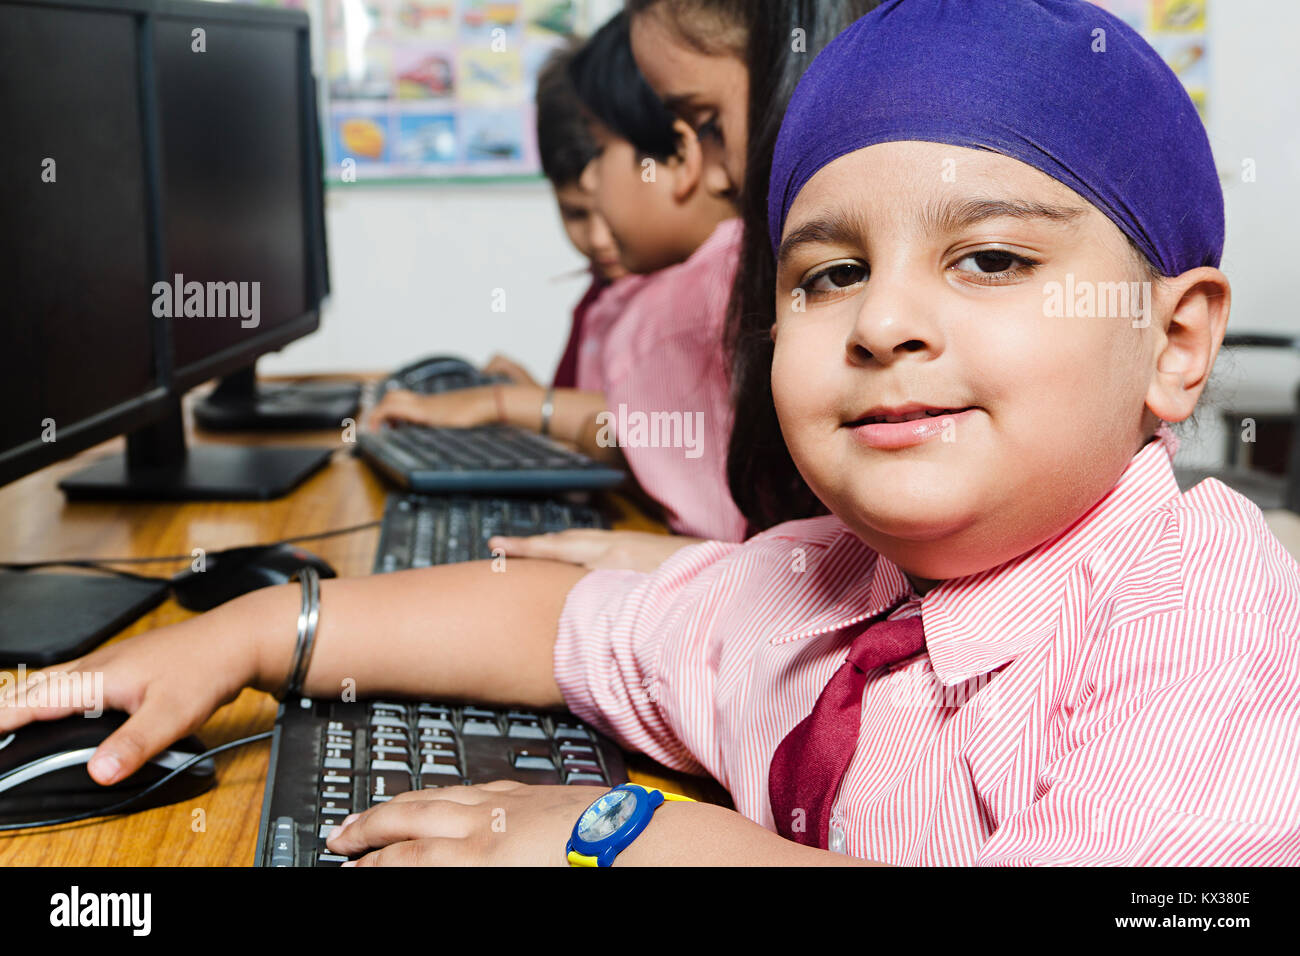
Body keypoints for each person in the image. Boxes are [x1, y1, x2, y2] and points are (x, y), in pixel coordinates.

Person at [6, 0, 1298, 866]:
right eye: (827, 276)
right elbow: (564, 630)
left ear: (1175, 343)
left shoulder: (1198, 602)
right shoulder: (824, 581)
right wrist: (242, 634)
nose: (884, 323)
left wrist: (624, 834)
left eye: (995, 258)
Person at [374, 13, 747, 547]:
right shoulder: (632, 295)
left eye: (601, 155)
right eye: (575, 209)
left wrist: (513, 407)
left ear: (682, 155)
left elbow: (697, 499)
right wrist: (528, 406)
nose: (595, 193)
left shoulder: (689, 301)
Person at [482, 43, 628, 391]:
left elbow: (629, 430)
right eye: (575, 213)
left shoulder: (680, 303)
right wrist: (536, 400)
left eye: (609, 211)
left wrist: (526, 406)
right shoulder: (599, 292)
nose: (597, 239)